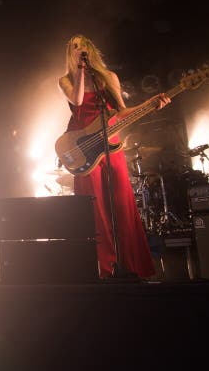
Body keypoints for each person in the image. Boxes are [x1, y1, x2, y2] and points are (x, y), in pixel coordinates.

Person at [59, 35, 170, 279]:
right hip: (86, 150)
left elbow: (121, 112)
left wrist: (150, 103)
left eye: (82, 45)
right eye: (74, 47)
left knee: (122, 204)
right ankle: (103, 268)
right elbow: (77, 102)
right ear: (71, 54)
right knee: (95, 209)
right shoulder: (66, 80)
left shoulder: (108, 78)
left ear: (90, 48)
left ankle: (130, 267)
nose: (79, 49)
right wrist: (79, 71)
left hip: (112, 146)